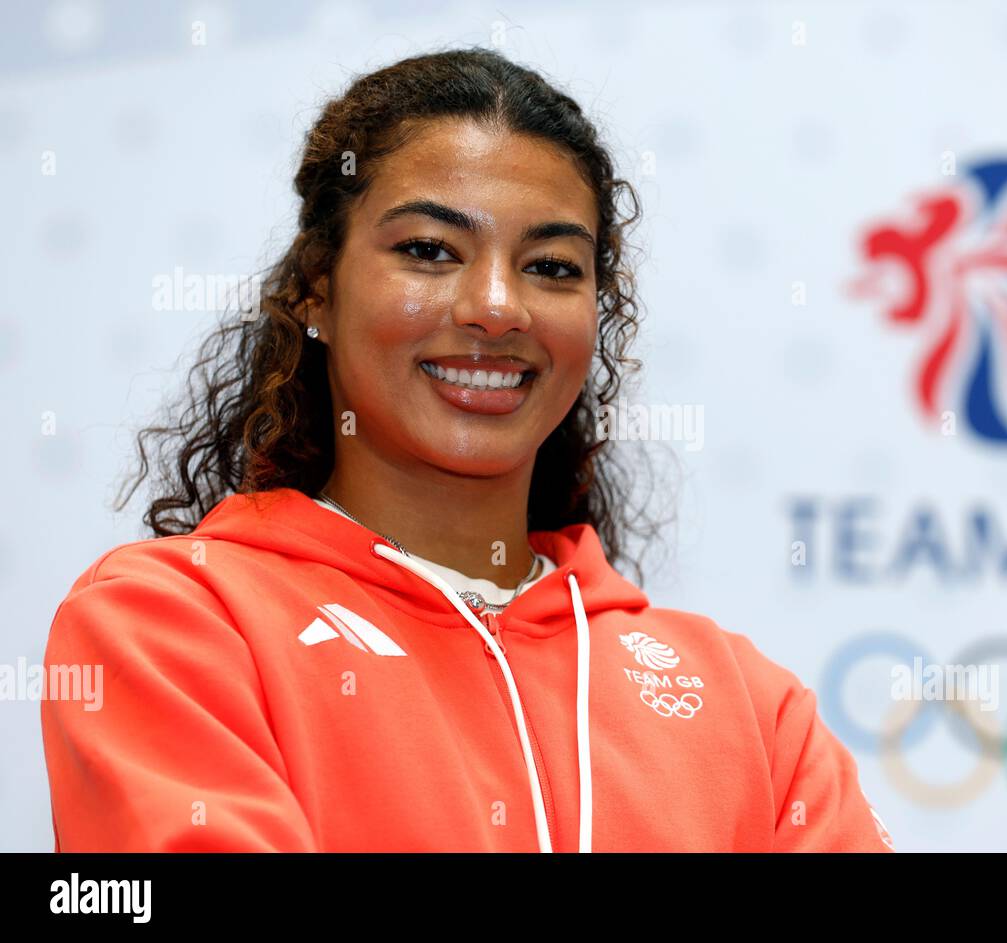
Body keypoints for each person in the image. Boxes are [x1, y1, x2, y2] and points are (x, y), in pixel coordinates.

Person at [40, 47, 894, 853]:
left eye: (553, 266)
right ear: (316, 292)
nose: (496, 306)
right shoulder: (172, 623)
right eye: (428, 251)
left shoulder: (750, 704)